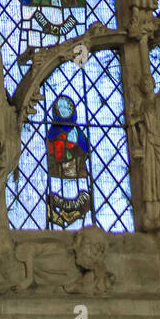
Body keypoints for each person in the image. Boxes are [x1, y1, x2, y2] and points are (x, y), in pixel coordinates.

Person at [45, 94, 92, 228]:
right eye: (61, 107)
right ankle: (60, 216)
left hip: (77, 174)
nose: (64, 110)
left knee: (78, 198)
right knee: (59, 198)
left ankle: (77, 217)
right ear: (55, 111)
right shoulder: (52, 132)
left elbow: (85, 149)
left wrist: (76, 145)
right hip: (58, 175)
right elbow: (52, 152)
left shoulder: (77, 131)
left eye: (67, 107)